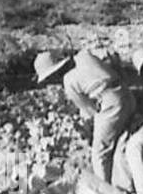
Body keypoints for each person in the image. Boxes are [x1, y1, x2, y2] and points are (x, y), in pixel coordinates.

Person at [35, 48, 135, 182]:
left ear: (55, 72)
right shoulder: (84, 55)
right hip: (126, 93)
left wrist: (90, 131)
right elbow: (112, 60)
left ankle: (104, 190)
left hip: (111, 104)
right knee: (122, 137)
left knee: (99, 153)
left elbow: (90, 110)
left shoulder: (68, 81)